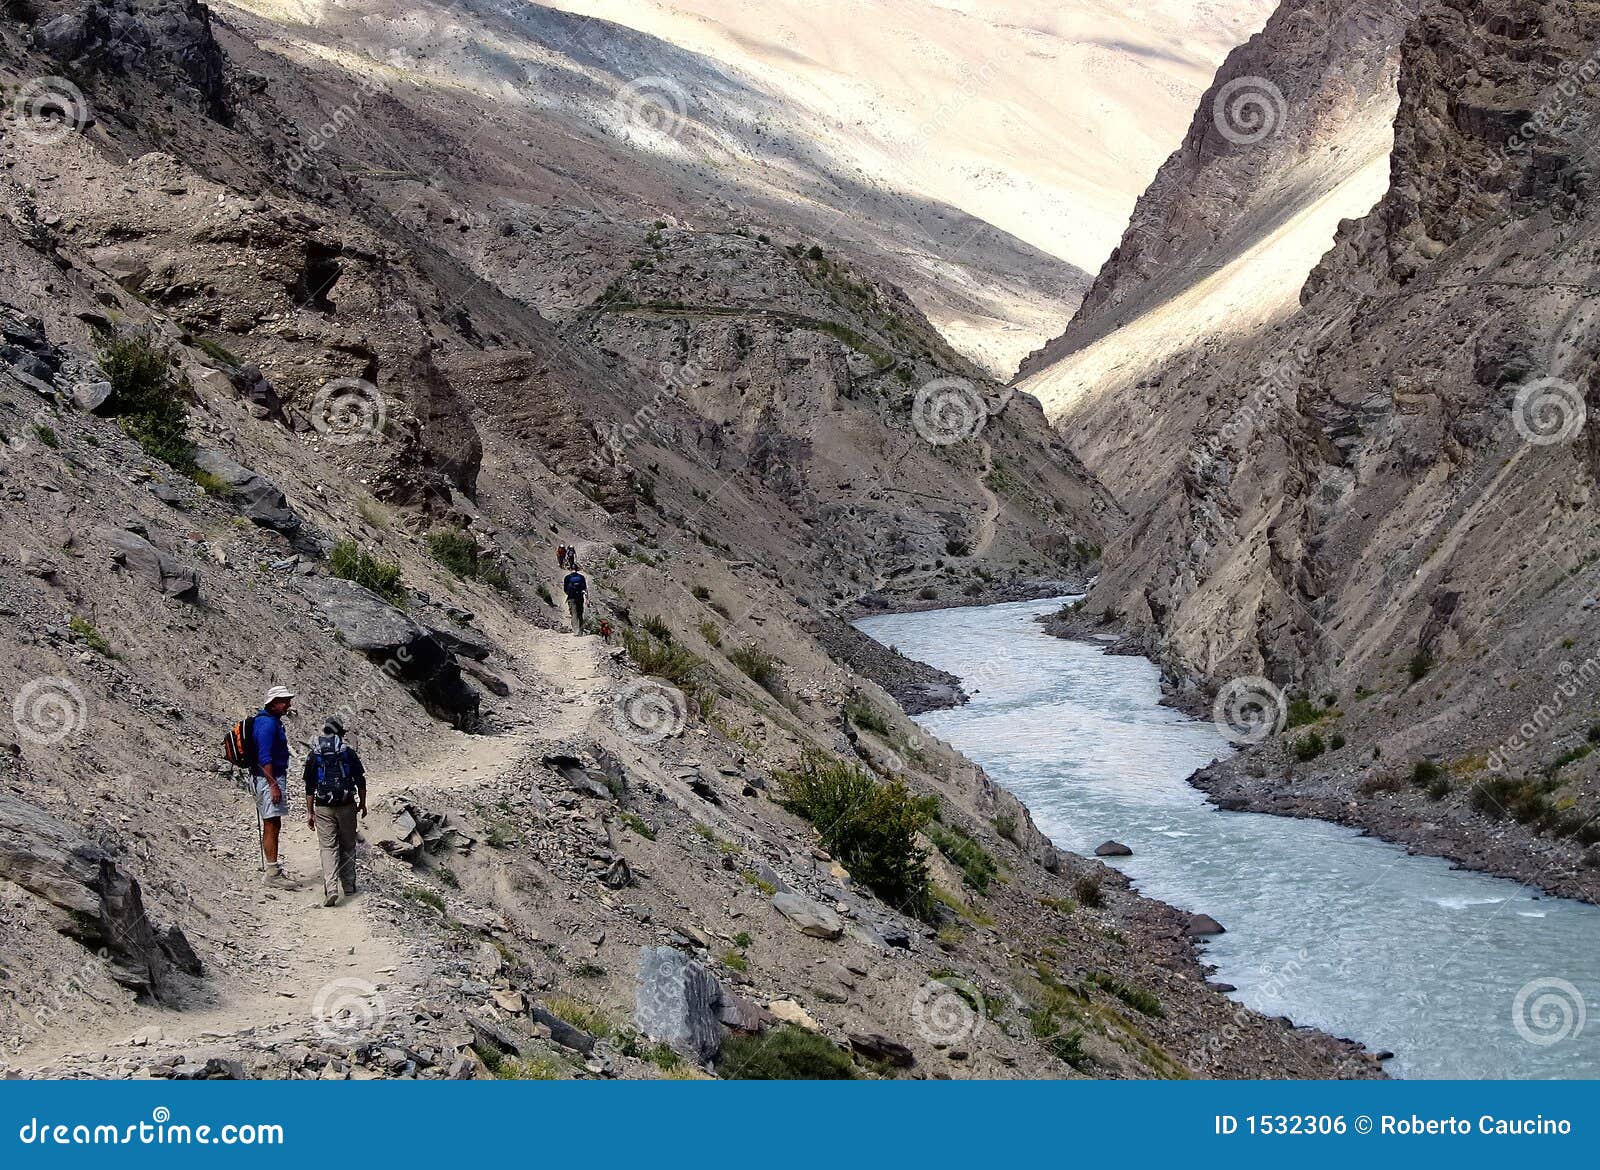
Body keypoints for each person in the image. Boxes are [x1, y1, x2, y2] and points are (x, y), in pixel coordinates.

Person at [303, 717, 367, 908]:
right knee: (348, 845)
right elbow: (360, 780)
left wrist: (310, 812)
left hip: (323, 806)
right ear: (341, 733)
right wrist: (362, 803)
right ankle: (348, 885)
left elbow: (309, 786)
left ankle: (331, 888)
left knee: (328, 848)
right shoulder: (347, 752)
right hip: (347, 805)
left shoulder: (315, 754)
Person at [252, 685, 295, 884]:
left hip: (268, 778)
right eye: (284, 701)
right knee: (271, 823)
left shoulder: (268, 722)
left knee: (273, 822)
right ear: (273, 703)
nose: (288, 705)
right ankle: (271, 873)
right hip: (269, 778)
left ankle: (272, 867)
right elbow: (264, 757)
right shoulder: (268, 725)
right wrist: (273, 785)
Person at [563, 567, 588, 634]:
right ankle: (581, 630)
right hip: (580, 597)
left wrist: (570, 593)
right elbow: (585, 588)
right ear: (577, 570)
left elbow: (565, 590)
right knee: (580, 614)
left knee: (574, 614)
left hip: (571, 597)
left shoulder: (567, 577)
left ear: (570, 570)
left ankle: (575, 631)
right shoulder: (581, 577)